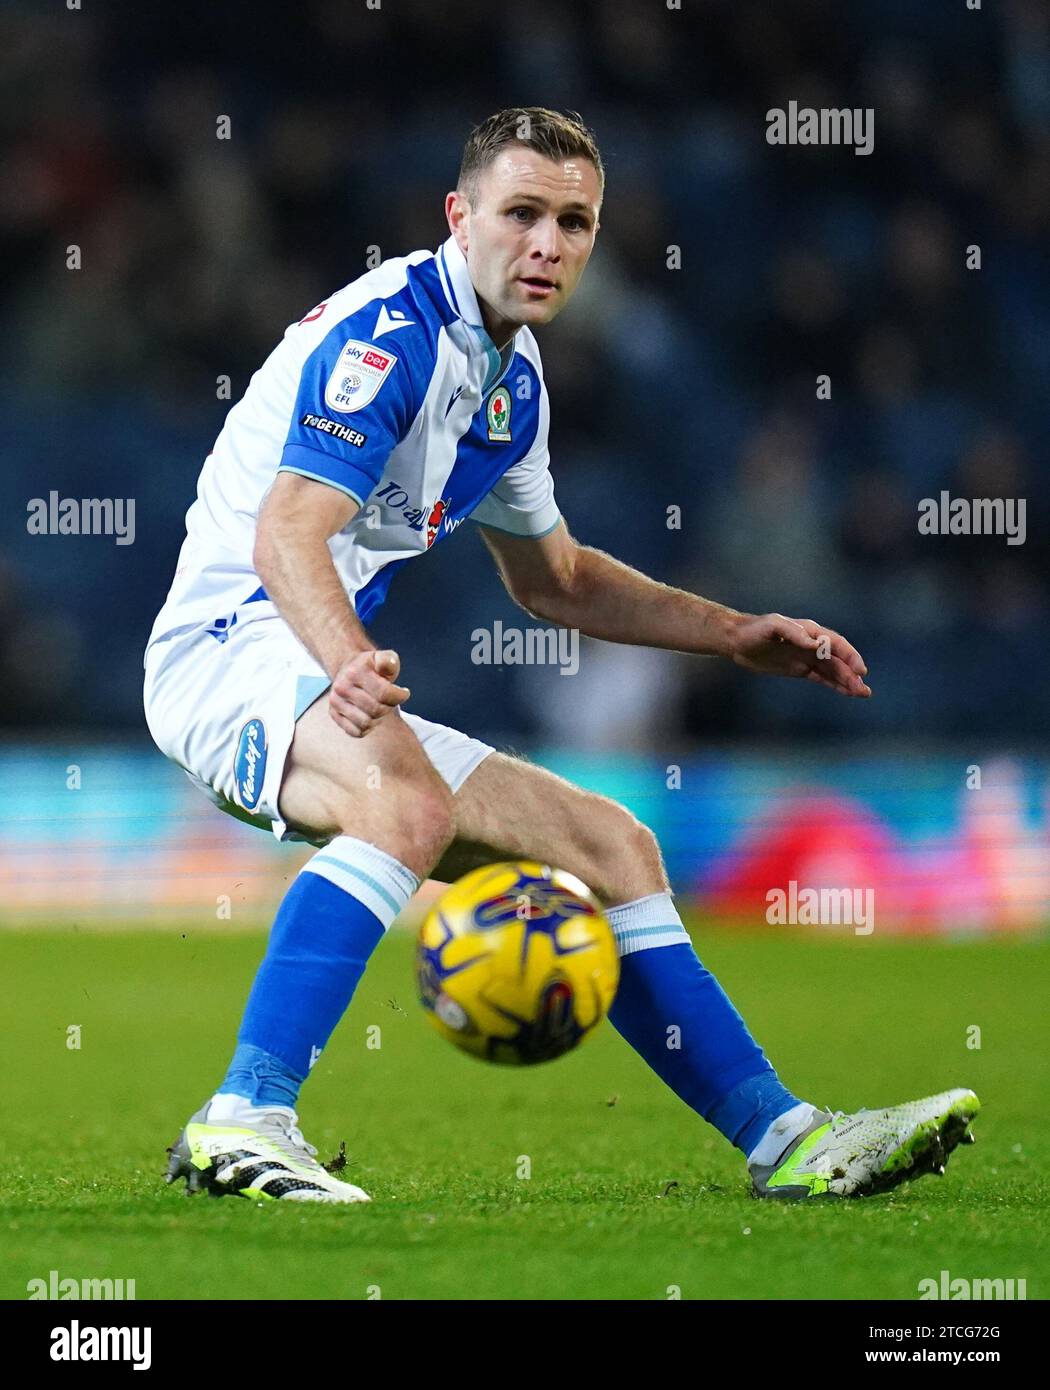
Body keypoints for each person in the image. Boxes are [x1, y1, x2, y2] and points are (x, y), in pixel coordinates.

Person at [144, 107, 978, 1204]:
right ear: (460, 217)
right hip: (231, 647)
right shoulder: (390, 335)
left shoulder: (509, 384)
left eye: (574, 222)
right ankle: (243, 1117)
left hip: (305, 656)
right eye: (523, 213)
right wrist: (348, 662)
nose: (548, 244)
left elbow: (557, 580)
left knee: (611, 845)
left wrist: (736, 633)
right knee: (407, 804)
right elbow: (286, 531)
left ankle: (789, 1139)